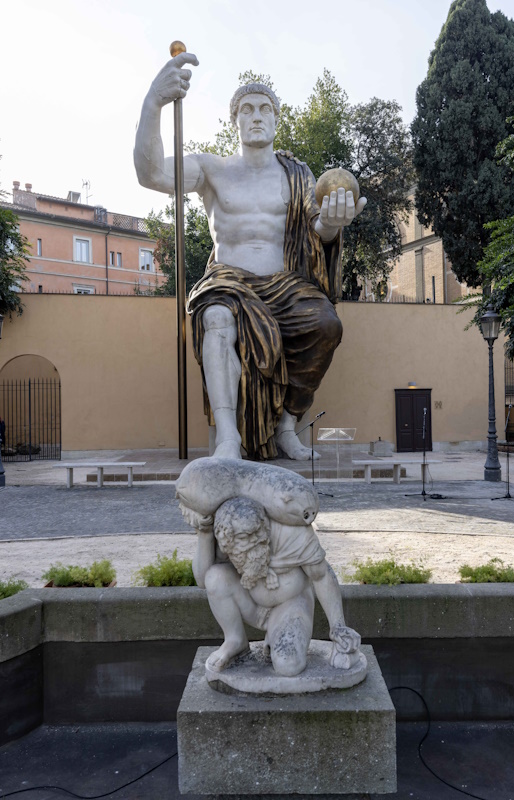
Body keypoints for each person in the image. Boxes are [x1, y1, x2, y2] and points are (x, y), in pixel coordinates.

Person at [134, 53, 366, 460]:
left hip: (285, 286)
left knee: (327, 325)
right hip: (228, 282)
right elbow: (150, 173)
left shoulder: (299, 175)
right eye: (246, 109)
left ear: (277, 119)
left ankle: (286, 425)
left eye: (265, 109)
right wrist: (154, 102)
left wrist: (334, 224)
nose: (256, 116)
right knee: (216, 318)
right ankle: (228, 436)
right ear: (234, 121)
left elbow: (317, 233)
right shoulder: (212, 169)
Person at [188, 495, 361, 676]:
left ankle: (280, 632)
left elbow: (322, 574)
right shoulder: (229, 536)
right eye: (234, 552)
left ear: (260, 533)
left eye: (246, 547)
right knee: (215, 577)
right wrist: (205, 533)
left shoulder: (292, 535)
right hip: (252, 602)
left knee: (288, 666)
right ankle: (235, 640)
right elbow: (203, 579)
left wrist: (338, 626)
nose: (237, 556)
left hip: (290, 603)